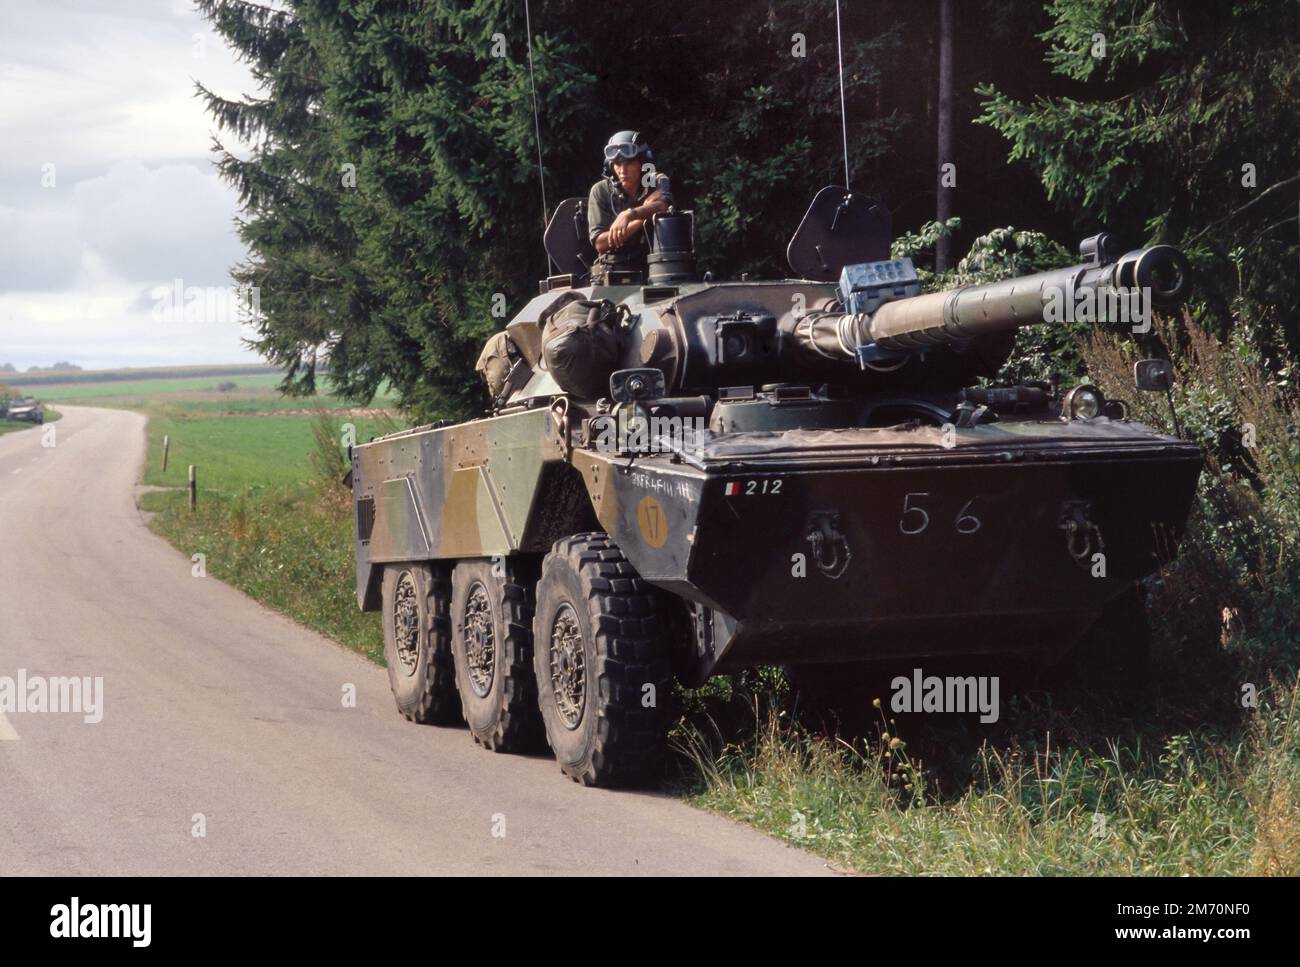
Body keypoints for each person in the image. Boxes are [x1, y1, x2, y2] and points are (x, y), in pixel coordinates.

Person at [587, 130, 672, 284]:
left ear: (642, 163)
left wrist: (628, 215)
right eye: (617, 164)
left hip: (652, 270)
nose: (622, 170)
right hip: (611, 273)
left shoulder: (654, 182)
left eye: (629, 163)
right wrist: (641, 218)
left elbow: (662, 205)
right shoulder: (601, 190)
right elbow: (601, 243)